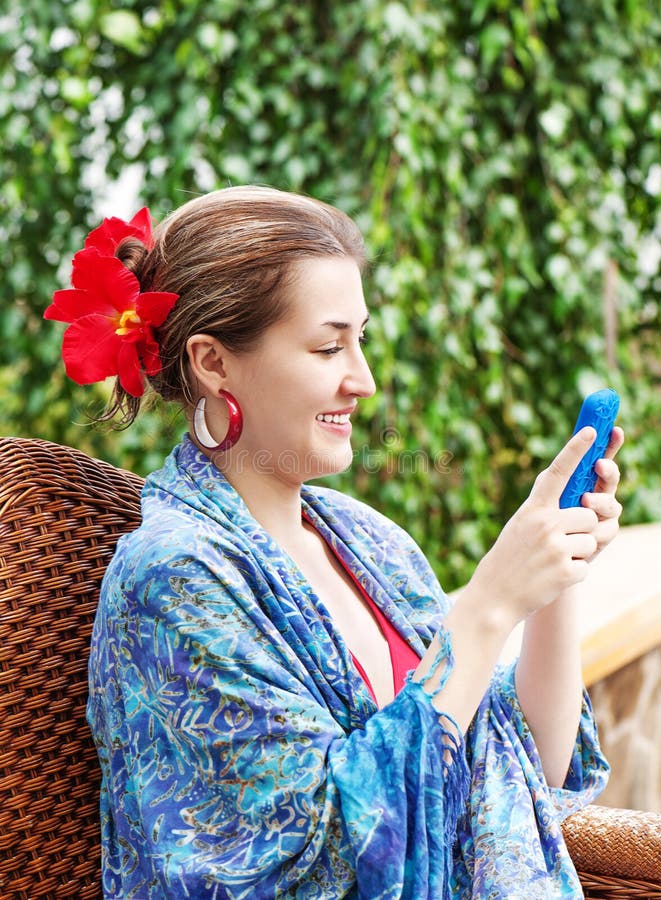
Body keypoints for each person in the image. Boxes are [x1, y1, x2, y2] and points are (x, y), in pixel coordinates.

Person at [45, 186, 623, 899]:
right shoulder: (173, 577)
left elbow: (525, 768)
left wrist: (552, 578)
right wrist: (484, 608)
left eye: (361, 340)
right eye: (327, 346)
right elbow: (330, 860)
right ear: (212, 361)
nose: (364, 380)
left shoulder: (369, 542)